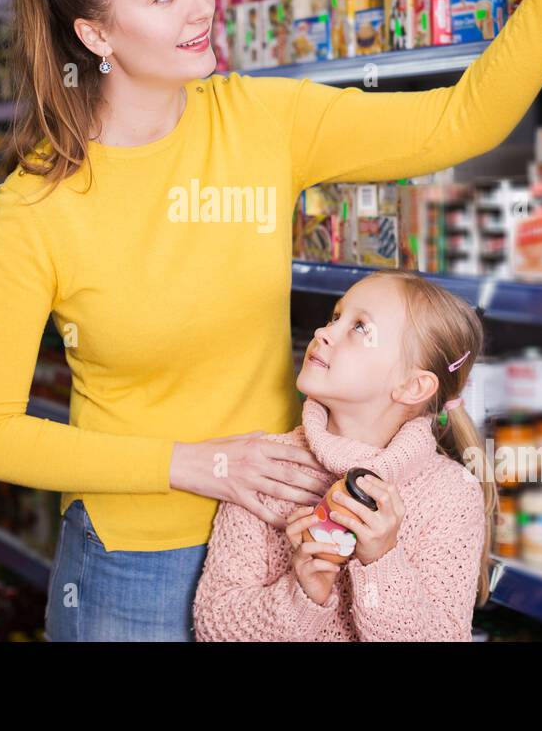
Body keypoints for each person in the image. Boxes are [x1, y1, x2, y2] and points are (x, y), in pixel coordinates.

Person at [0, 0, 542, 641]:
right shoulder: (38, 208)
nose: (202, 5)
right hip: (138, 560)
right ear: (97, 36)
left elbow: (457, 121)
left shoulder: (259, 118)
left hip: (291, 533)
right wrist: (191, 464)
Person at [192, 271, 491, 641]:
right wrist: (302, 593)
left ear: (412, 386)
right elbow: (214, 628)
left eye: (360, 327)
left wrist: (381, 561)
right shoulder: (266, 465)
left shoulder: (451, 494)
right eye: (336, 316)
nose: (324, 332)